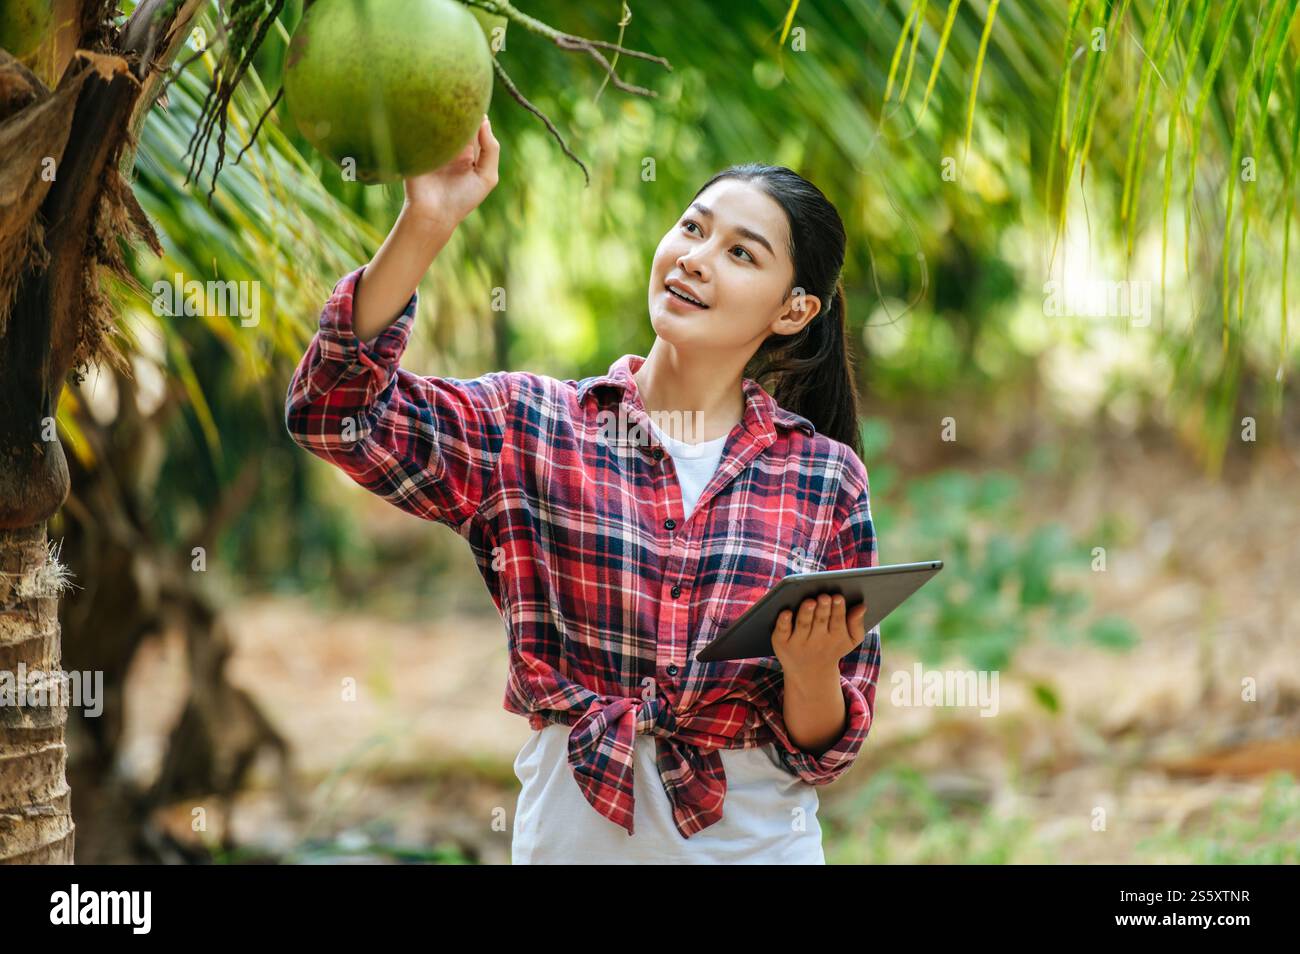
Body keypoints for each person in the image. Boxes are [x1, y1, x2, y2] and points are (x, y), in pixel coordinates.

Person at [285, 115, 881, 864]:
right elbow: (333, 414)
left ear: (793, 310)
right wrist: (426, 223)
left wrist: (810, 666)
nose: (696, 259)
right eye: (692, 228)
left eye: (739, 253)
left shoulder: (823, 477)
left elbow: (824, 752)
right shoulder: (532, 426)